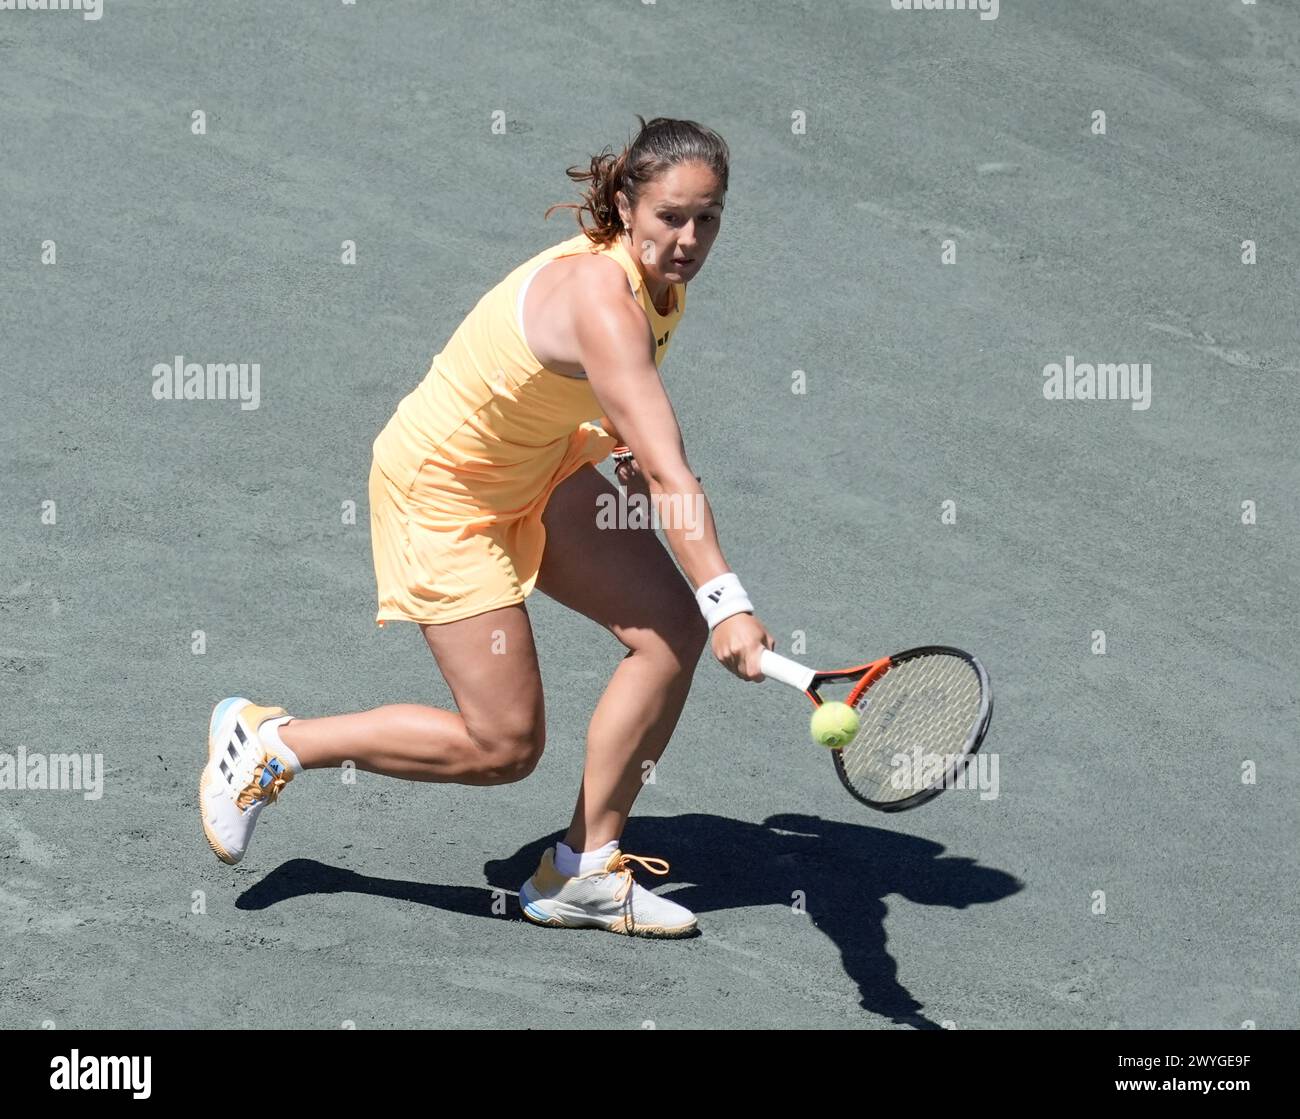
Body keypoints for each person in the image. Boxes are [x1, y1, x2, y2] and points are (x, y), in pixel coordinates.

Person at [200, 115, 776, 937]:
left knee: (667, 632)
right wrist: (730, 600)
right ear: (626, 204)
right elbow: (667, 470)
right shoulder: (602, 303)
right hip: (442, 494)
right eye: (671, 217)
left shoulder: (658, 285)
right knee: (504, 746)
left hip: (536, 464)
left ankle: (581, 870)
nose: (688, 239)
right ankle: (273, 741)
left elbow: (622, 428)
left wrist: (618, 451)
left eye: (708, 218)